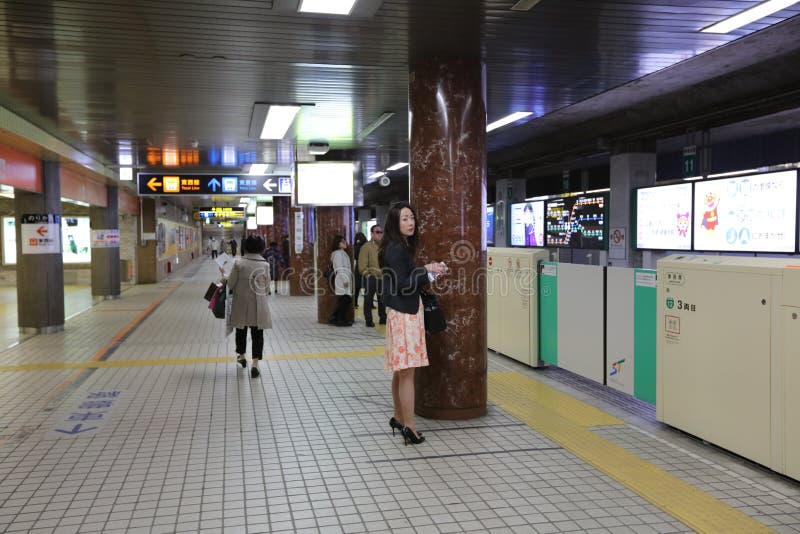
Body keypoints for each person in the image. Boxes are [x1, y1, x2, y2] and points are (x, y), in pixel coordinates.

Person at [379, 202, 447, 446]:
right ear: (395, 223)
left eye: (412, 218)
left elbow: (405, 281)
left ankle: (399, 418)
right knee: (408, 372)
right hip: (404, 314)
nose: (411, 223)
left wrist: (429, 273)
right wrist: (426, 269)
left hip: (401, 311)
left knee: (401, 370)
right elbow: (403, 283)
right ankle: (410, 426)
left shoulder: (397, 246)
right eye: (405, 219)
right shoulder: (396, 249)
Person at [220, 235, 272, 378]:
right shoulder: (265, 265)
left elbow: (230, 284)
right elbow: (267, 288)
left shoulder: (238, 264)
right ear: (261, 248)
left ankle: (242, 356)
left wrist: (224, 275)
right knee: (257, 335)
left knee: (241, 331)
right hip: (259, 304)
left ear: (246, 247)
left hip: (241, 303)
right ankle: (255, 364)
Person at [358, 226, 385, 327]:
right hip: (371, 277)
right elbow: (362, 265)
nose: (380, 234)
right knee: (368, 299)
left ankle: (383, 318)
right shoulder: (366, 247)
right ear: (372, 234)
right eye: (377, 232)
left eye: (381, 232)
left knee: (382, 299)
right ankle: (368, 320)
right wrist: (367, 275)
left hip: (383, 276)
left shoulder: (384, 246)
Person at [330, 235, 353, 327]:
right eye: (342, 242)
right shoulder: (338, 254)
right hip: (342, 280)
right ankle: (340, 319)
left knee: (344, 300)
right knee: (345, 300)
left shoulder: (342, 253)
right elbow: (339, 268)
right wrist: (345, 280)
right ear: (338, 244)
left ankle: (336, 318)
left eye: (345, 241)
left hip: (345, 279)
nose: (345, 243)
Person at [353, 232, 367, 309]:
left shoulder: (357, 246)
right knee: (367, 287)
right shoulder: (366, 245)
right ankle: (369, 304)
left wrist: (358, 245)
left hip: (359, 267)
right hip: (366, 267)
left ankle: (355, 303)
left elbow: (355, 256)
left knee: (357, 287)